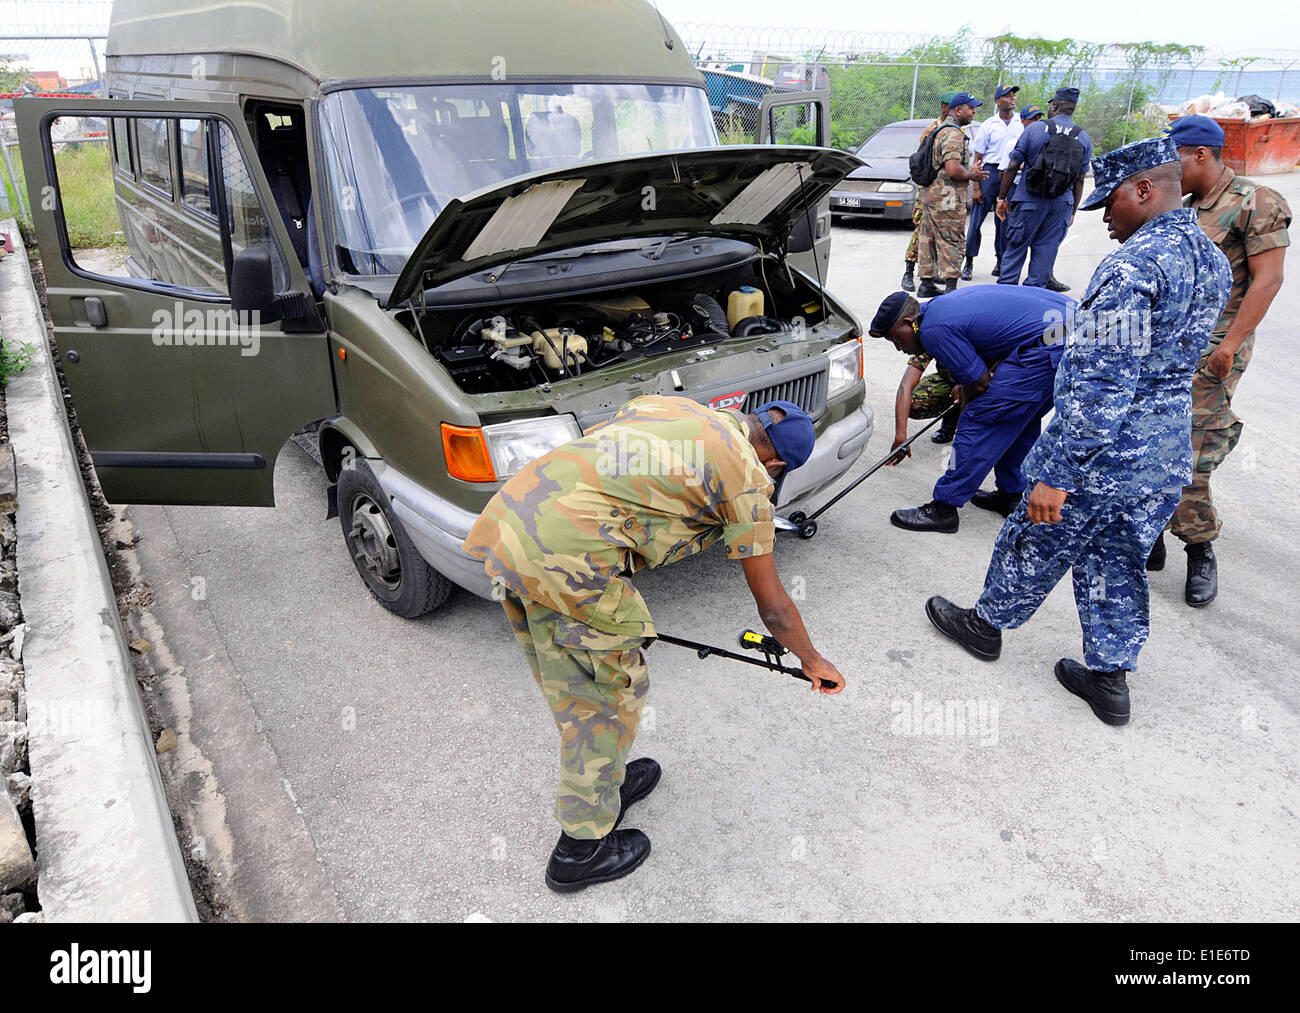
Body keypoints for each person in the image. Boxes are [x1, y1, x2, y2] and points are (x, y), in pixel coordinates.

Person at [462, 395, 846, 892]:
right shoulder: (747, 478)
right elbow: (773, 605)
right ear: (773, 463)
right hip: (567, 561)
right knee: (604, 698)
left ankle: (604, 788)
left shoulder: (676, 407)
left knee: (575, 679)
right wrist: (812, 660)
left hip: (514, 523)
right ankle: (579, 851)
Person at [925, 137, 1231, 727]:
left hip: (1105, 452)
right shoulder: (1210, 257)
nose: (1106, 220)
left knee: (1033, 537)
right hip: (1165, 448)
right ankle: (1109, 678)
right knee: (1119, 558)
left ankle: (985, 626)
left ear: (1144, 189)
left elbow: (1100, 381)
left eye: (1110, 203)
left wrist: (1057, 474)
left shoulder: (1133, 266)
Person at [1147, 114, 1291, 607]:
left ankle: (1200, 547)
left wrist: (1229, 345)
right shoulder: (1187, 208)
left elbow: (1268, 279)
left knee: (1191, 456)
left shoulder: (1256, 202)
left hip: (1213, 354)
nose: (1170, 172)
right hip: (1171, 349)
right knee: (1152, 445)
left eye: (1175, 161)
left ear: (1200, 154)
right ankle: (1152, 535)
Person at [870, 285, 1075, 533]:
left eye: (895, 338)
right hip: (1072, 333)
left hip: (1051, 342)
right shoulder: (938, 309)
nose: (898, 347)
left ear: (908, 322)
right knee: (1019, 417)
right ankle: (1011, 493)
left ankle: (943, 508)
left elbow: (979, 384)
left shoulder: (932, 329)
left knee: (978, 421)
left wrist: (968, 404)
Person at [995, 87, 1092, 291]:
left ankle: (1004, 297)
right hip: (1060, 205)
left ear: (1055, 105)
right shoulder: (1082, 137)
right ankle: (1033, 301)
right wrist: (1072, 210)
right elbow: (1080, 180)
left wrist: (1001, 198)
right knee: (1045, 253)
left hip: (1029, 201)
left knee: (1015, 250)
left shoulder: (1035, 129)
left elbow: (1012, 166)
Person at [916, 93, 988, 298]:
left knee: (928, 238)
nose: (974, 112)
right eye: (970, 108)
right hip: (947, 196)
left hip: (932, 193)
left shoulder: (938, 130)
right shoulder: (953, 134)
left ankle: (926, 283)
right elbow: (953, 169)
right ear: (958, 110)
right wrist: (972, 174)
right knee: (953, 240)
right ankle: (950, 289)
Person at [965, 84, 1022, 280]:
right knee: (976, 221)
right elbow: (978, 157)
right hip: (989, 173)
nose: (1012, 98)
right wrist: (976, 187)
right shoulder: (988, 125)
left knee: (1004, 220)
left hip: (1010, 174)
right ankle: (969, 261)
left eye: (1013, 95)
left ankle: (1001, 261)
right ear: (998, 101)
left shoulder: (1020, 122)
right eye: (1007, 96)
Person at [902, 91, 957, 292]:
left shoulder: (951, 130)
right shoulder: (932, 130)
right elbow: (923, 163)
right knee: (920, 233)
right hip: (928, 191)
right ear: (945, 108)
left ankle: (930, 274)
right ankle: (908, 271)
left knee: (937, 233)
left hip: (944, 193)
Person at [890, 352, 962, 447]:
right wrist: (901, 435)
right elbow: (906, 386)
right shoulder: (931, 339)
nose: (899, 349)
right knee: (913, 403)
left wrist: (965, 384)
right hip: (949, 380)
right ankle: (951, 419)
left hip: (979, 382)